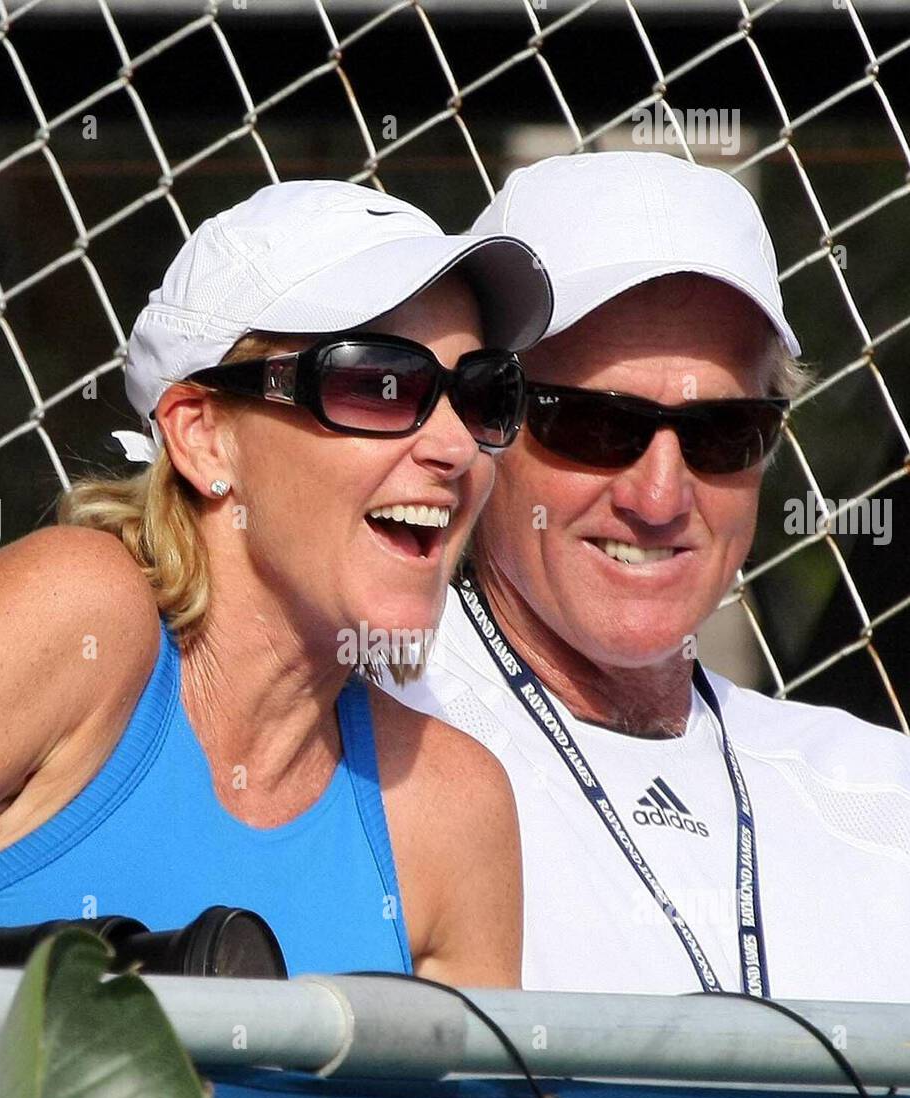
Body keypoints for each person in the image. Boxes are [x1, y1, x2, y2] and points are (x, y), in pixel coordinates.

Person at [0, 179, 554, 986]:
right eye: (377, 384)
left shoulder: (448, 808)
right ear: (202, 439)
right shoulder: (81, 613)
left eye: (481, 394)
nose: (453, 446)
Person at [387, 152, 910, 1002]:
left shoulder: (877, 790)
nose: (659, 498)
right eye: (596, 425)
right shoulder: (364, 738)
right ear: (486, 423)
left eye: (720, 433)